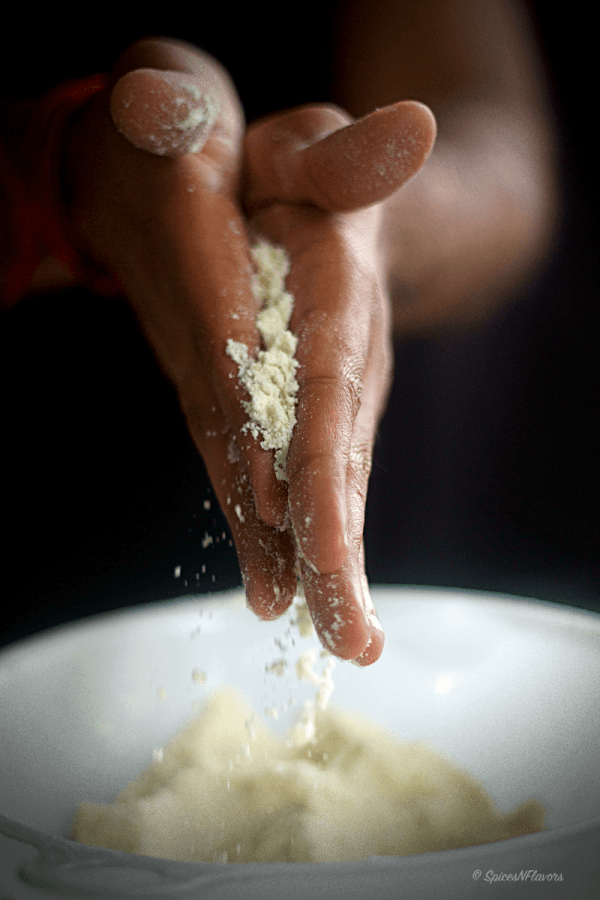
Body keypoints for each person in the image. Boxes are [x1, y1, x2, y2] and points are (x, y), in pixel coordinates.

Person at [0, 0, 557, 662]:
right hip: (34, 482)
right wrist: (54, 168)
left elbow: (504, 153)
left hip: (376, 432)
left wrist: (377, 217)